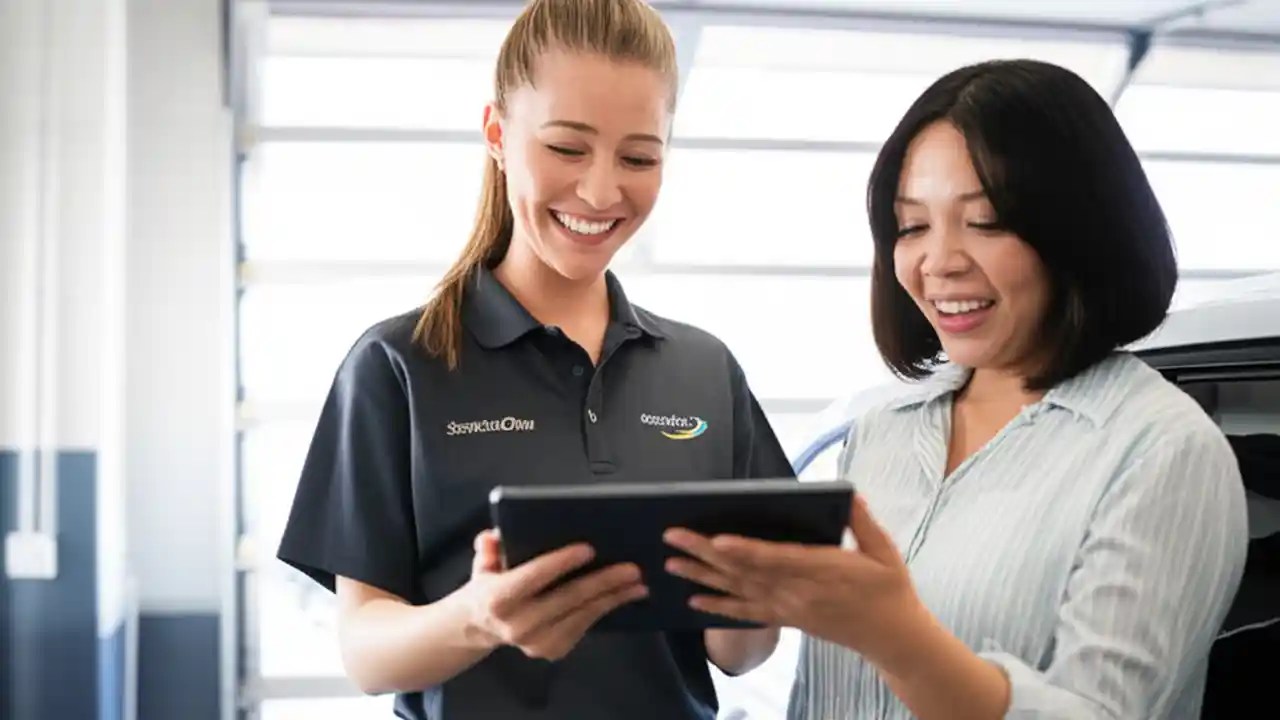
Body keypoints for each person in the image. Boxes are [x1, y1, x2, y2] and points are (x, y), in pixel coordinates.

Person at [662, 59, 1250, 719]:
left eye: (987, 220)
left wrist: (898, 636)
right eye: (912, 225)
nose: (938, 260)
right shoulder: (882, 431)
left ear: (1080, 228)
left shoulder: (1162, 452)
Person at [275, 1, 791, 718]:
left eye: (639, 157)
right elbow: (365, 650)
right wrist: (478, 618)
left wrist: (759, 600)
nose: (602, 191)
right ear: (497, 133)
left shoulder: (706, 370)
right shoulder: (399, 365)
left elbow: (739, 653)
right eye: (567, 148)